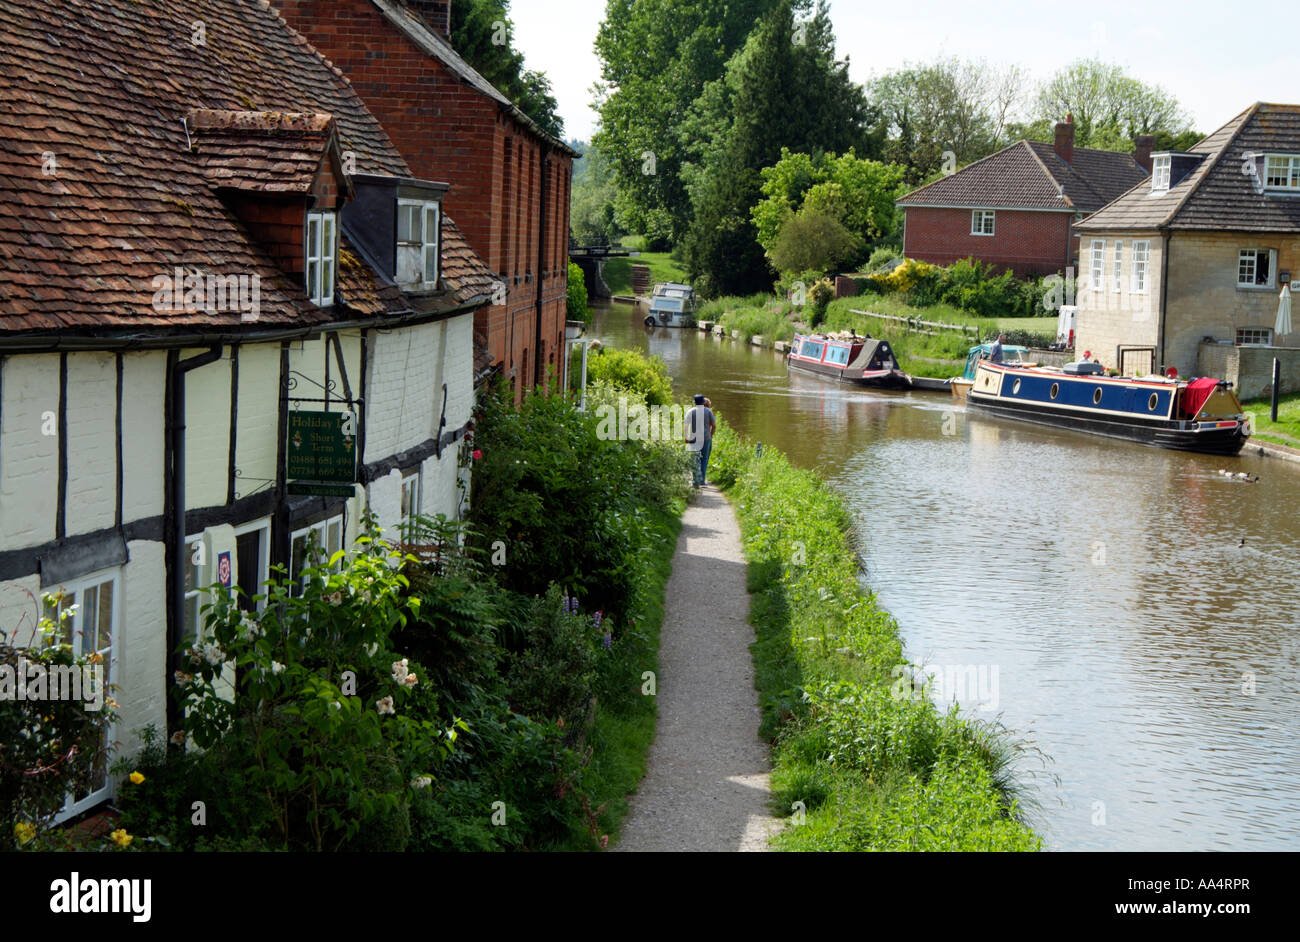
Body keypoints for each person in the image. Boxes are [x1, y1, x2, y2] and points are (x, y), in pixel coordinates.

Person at [684, 393, 716, 488]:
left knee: (695, 459)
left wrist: (686, 437)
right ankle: (702, 480)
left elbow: (686, 426)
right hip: (706, 438)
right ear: (703, 402)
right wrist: (710, 435)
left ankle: (695, 481)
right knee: (704, 459)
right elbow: (714, 426)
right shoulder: (708, 411)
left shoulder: (690, 411)